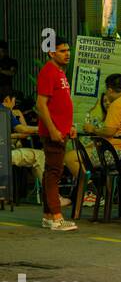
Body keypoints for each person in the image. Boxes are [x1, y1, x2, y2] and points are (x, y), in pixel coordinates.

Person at [67, 74, 121, 201]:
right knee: (84, 151)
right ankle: (91, 191)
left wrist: (93, 129)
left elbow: (109, 131)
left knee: (70, 157)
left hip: (116, 153)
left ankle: (91, 191)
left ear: (110, 90)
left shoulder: (117, 104)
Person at [34, 38, 77, 231]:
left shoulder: (60, 72)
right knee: (53, 174)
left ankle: (48, 216)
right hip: (54, 133)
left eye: (68, 50)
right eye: (62, 51)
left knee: (51, 173)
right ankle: (57, 218)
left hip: (61, 130)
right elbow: (41, 104)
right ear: (51, 53)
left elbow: (61, 104)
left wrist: (70, 126)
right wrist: (52, 129)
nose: (67, 53)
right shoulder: (48, 72)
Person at [4, 92, 46, 192]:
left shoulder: (12, 112)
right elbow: (22, 129)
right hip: (6, 154)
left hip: (9, 149)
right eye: (14, 100)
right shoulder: (5, 111)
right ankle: (51, 195)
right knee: (40, 155)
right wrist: (46, 128)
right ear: (7, 99)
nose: (14, 103)